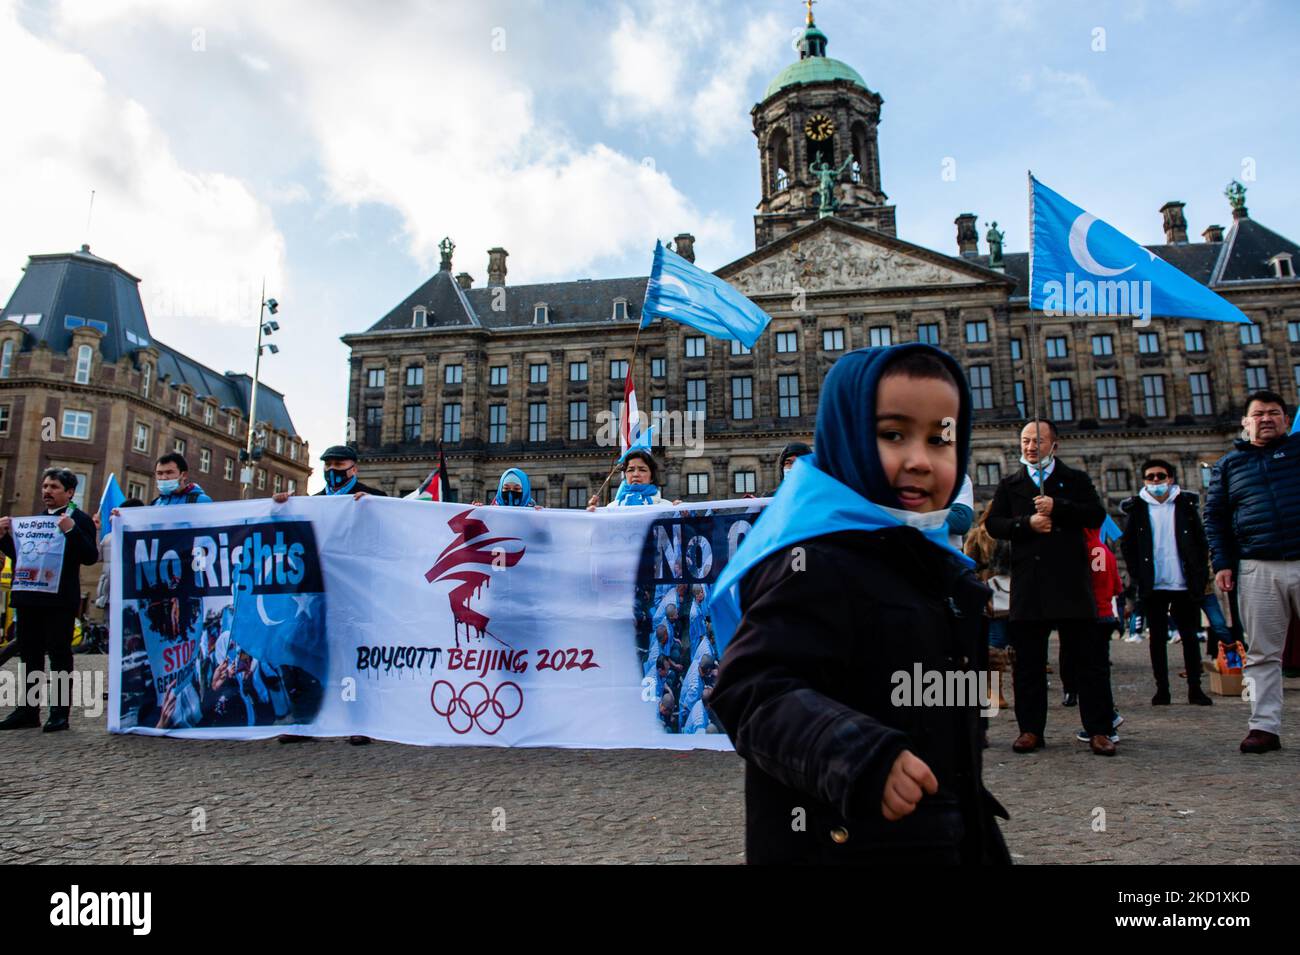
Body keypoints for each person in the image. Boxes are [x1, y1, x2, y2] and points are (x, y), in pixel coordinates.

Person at [708, 343, 1010, 865]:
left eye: (941, 439)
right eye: (893, 435)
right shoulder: (814, 560)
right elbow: (750, 690)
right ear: (845, 437)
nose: (919, 458)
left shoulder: (937, 567)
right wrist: (860, 756)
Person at [985, 419, 1116, 755]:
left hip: (1071, 581)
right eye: (1026, 440)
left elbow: (1095, 516)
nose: (1030, 447)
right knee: (1027, 663)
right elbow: (994, 525)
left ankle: (1099, 729)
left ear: (1054, 446)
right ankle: (1030, 730)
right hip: (1029, 584)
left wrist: (1059, 507)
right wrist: (1025, 523)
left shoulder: (1075, 480)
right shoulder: (1010, 484)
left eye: (1038, 441)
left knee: (1088, 661)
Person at [1204, 390, 1300, 754]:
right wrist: (1223, 563)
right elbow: (1215, 519)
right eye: (1258, 414)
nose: (1266, 419)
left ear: (1286, 421)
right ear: (1245, 422)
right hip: (1258, 564)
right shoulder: (1229, 465)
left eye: (1274, 413)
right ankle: (1264, 726)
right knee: (1262, 652)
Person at [276, 445, 385, 745]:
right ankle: (304, 722)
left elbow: (391, 530)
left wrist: (375, 506)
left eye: (339, 463)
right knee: (302, 654)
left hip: (355, 594)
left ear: (354, 468)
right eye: (328, 465)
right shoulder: (314, 502)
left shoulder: (372, 497)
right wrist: (282, 507)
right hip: (315, 595)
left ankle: (360, 723)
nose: (332, 469)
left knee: (353, 659)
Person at [0, 468, 100, 732]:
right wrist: (3, 539)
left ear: (69, 492)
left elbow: (90, 556)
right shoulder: (35, 521)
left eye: (54, 487)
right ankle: (27, 711)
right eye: (45, 486)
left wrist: (71, 531)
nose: (47, 491)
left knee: (59, 655)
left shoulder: (79, 520)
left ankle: (59, 713)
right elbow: (23, 556)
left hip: (59, 600)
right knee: (29, 656)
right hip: (29, 598)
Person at [1118, 459, 1213, 707]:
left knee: (1190, 638)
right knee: (1157, 640)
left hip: (1183, 583)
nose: (1156, 481)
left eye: (1161, 476)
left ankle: (1195, 688)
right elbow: (1127, 546)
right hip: (1154, 584)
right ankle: (1163, 690)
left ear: (1171, 478)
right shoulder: (1137, 509)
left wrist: (1200, 574)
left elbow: (1200, 542)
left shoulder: (1185, 505)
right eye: (1151, 477)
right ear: (1144, 481)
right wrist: (1138, 576)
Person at [95, 498, 145, 619]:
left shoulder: (142, 537)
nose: (112, 517)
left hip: (131, 597)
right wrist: (96, 531)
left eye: (117, 514)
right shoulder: (108, 538)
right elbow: (95, 557)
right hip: (109, 596)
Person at [586, 450, 680, 509]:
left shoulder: (666, 507)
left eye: (642, 470)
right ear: (625, 475)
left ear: (651, 477)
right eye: (630, 470)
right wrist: (593, 516)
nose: (635, 474)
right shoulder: (612, 508)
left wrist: (680, 513)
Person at [472, 467, 541, 508]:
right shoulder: (491, 512)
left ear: (525, 491)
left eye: (516, 489)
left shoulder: (534, 512)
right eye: (506, 488)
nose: (511, 492)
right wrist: (476, 513)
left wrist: (541, 518)